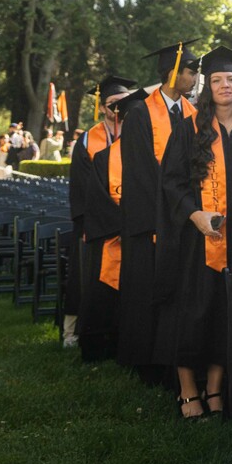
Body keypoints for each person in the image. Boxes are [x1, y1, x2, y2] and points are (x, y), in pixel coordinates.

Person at [158, 47, 232, 420]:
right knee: (194, 313)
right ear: (207, 86)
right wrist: (194, 214)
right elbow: (170, 182)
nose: (224, 85)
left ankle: (215, 389)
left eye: (230, 79)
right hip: (198, 241)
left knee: (226, 314)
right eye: (217, 80)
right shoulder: (189, 129)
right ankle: (188, 392)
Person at [116, 44, 201, 379]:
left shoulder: (194, 115)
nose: (195, 77)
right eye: (191, 71)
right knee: (145, 289)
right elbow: (138, 172)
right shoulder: (140, 113)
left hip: (181, 218)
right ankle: (144, 362)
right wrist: (160, 218)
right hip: (149, 218)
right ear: (173, 72)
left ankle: (172, 359)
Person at [72, 76, 141, 363]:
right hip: (102, 228)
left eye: (122, 103)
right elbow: (82, 188)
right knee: (100, 284)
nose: (117, 109)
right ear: (102, 108)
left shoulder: (142, 137)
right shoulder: (90, 139)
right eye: (112, 104)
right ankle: (97, 343)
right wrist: (93, 224)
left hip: (134, 228)